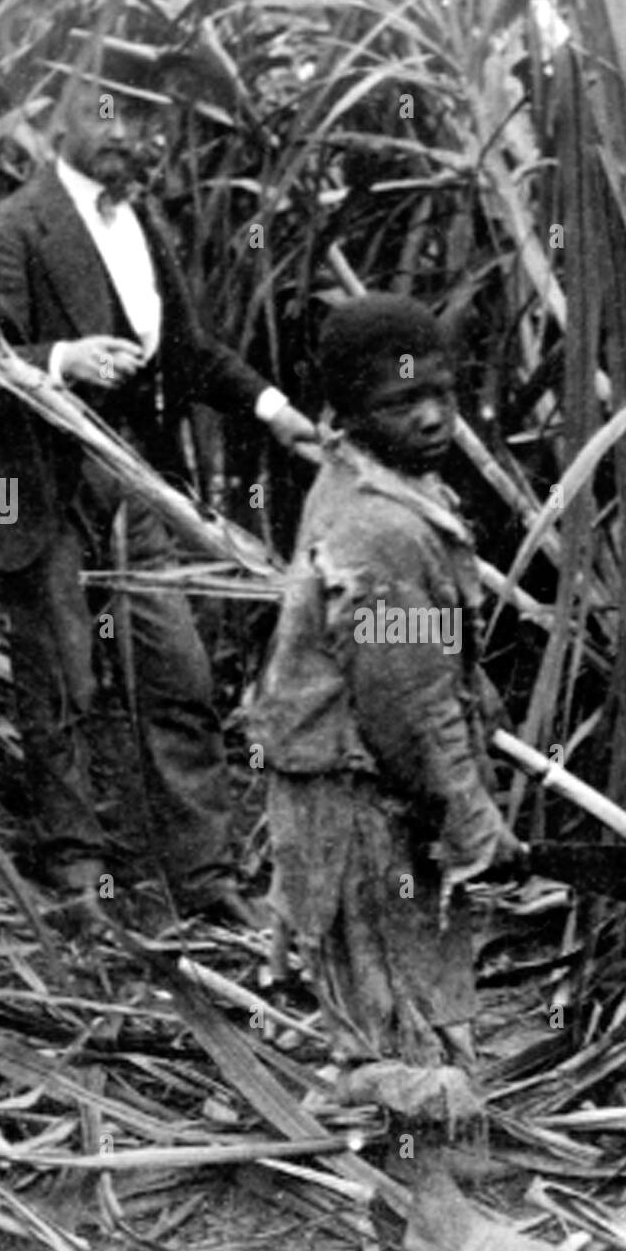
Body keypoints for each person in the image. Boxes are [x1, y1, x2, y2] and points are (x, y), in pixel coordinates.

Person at [0, 48, 315, 927]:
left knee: (178, 679)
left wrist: (274, 410)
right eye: (120, 115)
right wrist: (59, 360)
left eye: (154, 122)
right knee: (64, 687)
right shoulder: (11, 228)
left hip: (138, 491)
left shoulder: (146, 227)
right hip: (44, 496)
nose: (142, 139)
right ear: (69, 113)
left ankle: (204, 880)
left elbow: (189, 355)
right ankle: (80, 882)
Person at [253, 293, 522, 1094]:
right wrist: (471, 818)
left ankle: (416, 1159)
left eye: (442, 393)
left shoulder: (373, 481)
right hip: (357, 797)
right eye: (402, 403)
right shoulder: (380, 527)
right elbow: (404, 708)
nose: (435, 419)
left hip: (356, 782)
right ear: (345, 409)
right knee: (399, 1015)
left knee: (404, 992)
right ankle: (418, 1192)